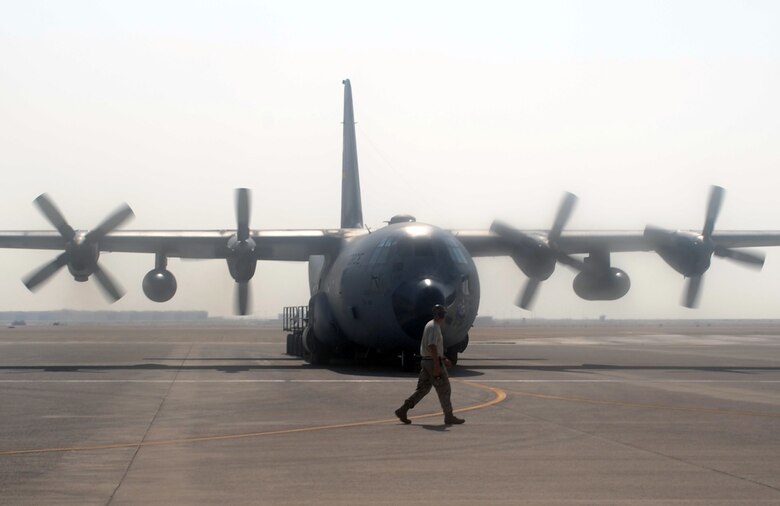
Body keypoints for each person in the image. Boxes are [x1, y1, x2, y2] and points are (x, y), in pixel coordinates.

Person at [395, 304, 465, 425]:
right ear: (441, 315)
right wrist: (437, 366)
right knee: (444, 389)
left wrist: (443, 358)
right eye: (443, 313)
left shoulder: (431, 325)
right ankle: (449, 416)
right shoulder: (434, 327)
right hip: (432, 362)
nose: (444, 316)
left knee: (422, 389)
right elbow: (432, 346)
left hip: (427, 361)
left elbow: (434, 347)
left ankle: (403, 409)